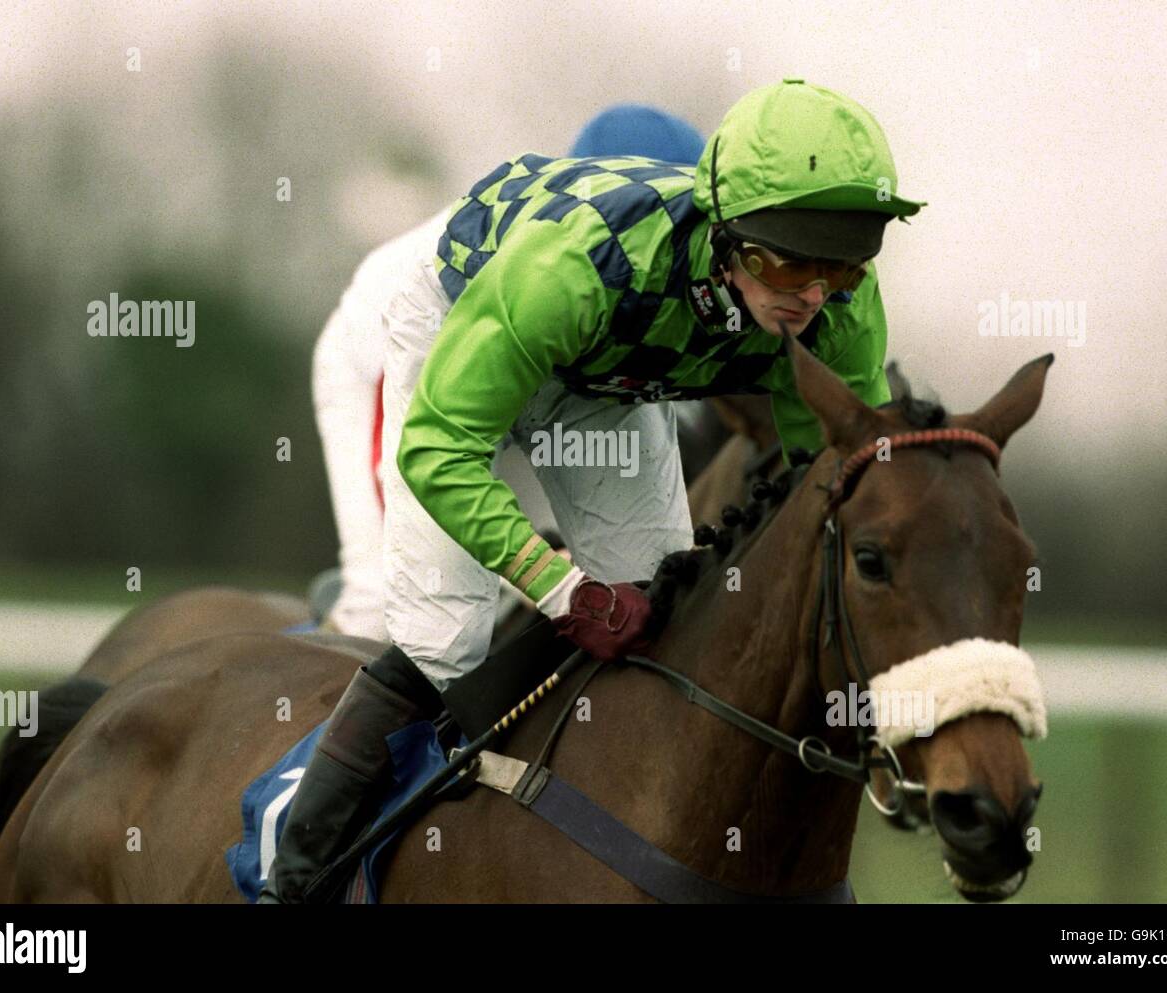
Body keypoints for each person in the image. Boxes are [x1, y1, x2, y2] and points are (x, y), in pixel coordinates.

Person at [262, 79, 924, 902]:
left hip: (608, 373)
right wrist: (557, 586)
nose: (815, 295)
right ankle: (293, 875)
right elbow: (439, 451)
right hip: (462, 320)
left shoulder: (835, 310)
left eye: (842, 267)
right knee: (446, 638)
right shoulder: (572, 268)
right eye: (788, 261)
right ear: (728, 237)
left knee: (664, 614)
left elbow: (825, 488)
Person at [311, 104, 705, 643]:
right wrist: (542, 575)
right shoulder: (540, 267)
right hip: (393, 358)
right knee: (396, 605)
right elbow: (441, 458)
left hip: (542, 386)